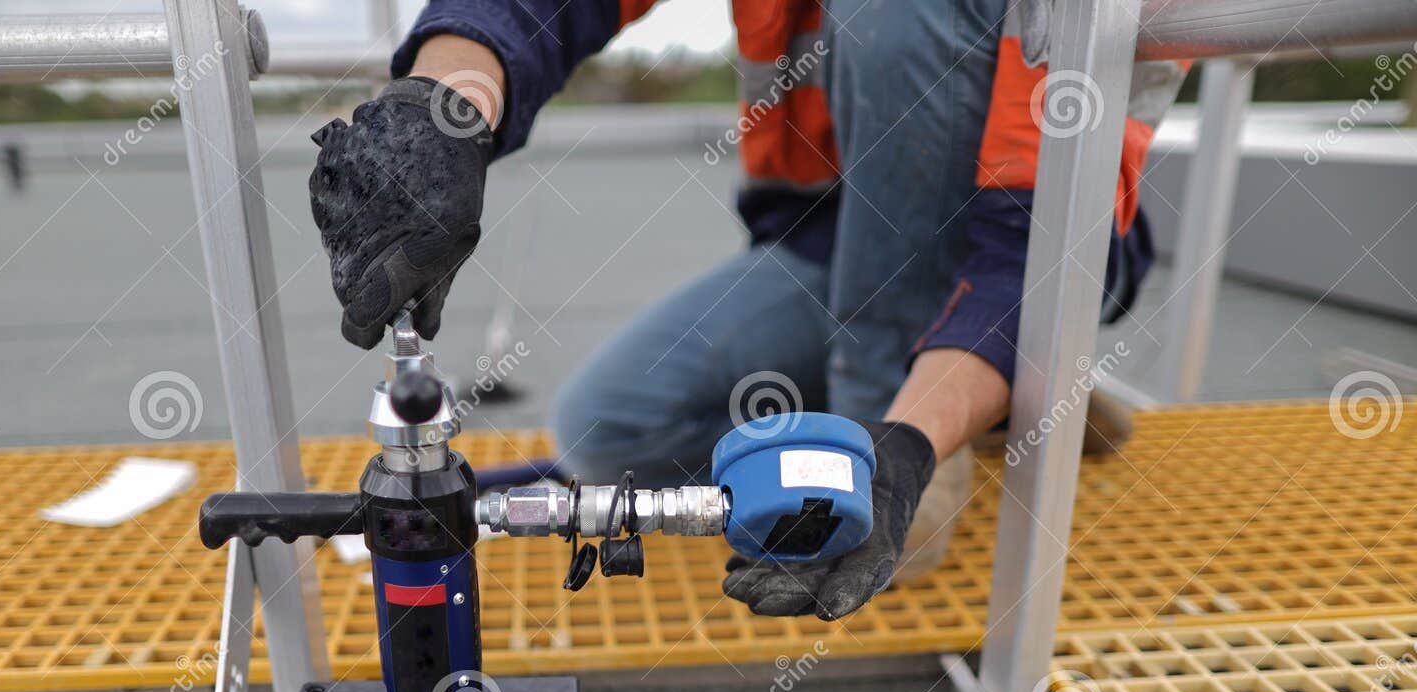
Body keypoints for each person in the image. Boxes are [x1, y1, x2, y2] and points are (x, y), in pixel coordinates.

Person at [307, 0, 1183, 620]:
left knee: (880, 532)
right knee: (608, 430)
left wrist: (906, 447)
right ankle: (996, 398)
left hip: (1019, 254)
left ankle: (927, 402)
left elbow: (1039, 252)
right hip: (829, 240)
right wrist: (444, 107)